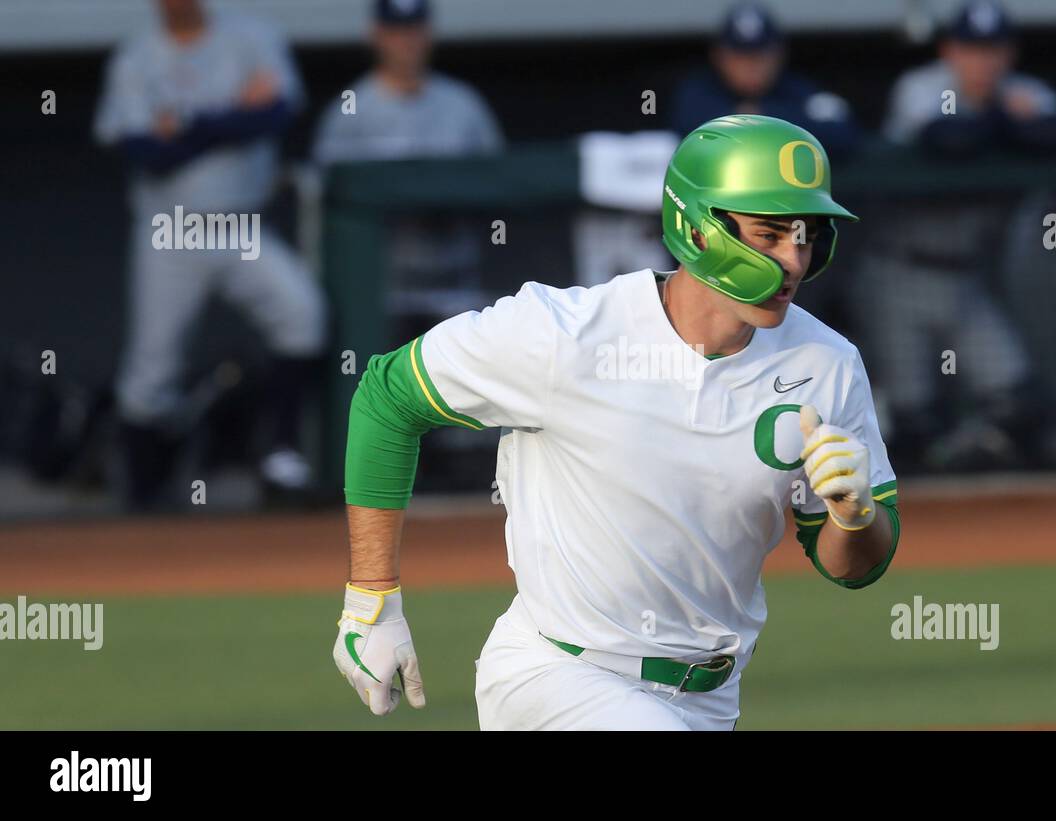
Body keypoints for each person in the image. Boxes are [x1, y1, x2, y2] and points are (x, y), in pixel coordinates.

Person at [331, 115, 900, 730]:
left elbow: (855, 567)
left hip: (711, 698)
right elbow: (387, 397)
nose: (793, 259)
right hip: (558, 676)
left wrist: (855, 515)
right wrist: (370, 600)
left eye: (806, 236)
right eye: (769, 234)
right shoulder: (564, 334)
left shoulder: (827, 363)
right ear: (697, 227)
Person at [94, 0, 324, 508]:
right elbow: (147, 154)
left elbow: (276, 113)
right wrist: (229, 116)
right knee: (151, 371)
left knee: (302, 314)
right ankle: (140, 498)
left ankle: (282, 460)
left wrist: (187, 126)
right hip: (169, 230)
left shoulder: (251, 38)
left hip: (241, 224)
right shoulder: (137, 58)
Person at [860, 0, 1056, 470]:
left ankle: (967, 461)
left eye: (994, 50)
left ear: (1009, 53)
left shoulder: (1023, 91)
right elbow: (948, 140)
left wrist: (1008, 120)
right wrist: (1008, 120)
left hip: (966, 281)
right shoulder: (922, 87)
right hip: (900, 272)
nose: (984, 62)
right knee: (911, 427)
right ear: (950, 51)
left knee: (1023, 407)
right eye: (972, 49)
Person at [312, 0, 503, 164]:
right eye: (396, 32)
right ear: (375, 35)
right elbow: (328, 179)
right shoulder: (351, 101)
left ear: (428, 33)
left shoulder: (462, 101)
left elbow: (493, 173)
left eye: (414, 31)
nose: (406, 42)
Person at [670, 2, 860, 156]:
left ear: (779, 55)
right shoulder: (698, 92)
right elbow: (683, 135)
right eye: (740, 57)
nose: (751, 67)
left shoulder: (799, 90)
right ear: (719, 57)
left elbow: (843, 135)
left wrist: (764, 118)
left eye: (760, 57)